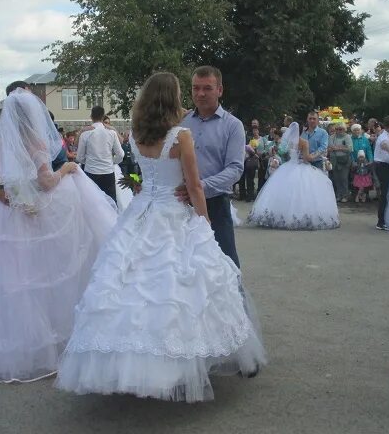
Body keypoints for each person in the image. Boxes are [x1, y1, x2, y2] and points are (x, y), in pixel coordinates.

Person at [56, 72, 266, 402]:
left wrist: (145, 187)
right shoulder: (181, 135)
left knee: (135, 288)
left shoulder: (137, 134)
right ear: (174, 97)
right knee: (187, 288)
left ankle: (144, 364)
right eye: (189, 90)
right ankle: (187, 363)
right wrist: (203, 225)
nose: (195, 94)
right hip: (176, 211)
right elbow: (193, 186)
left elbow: (144, 172)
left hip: (143, 213)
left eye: (203, 88)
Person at [0, 89, 114, 382]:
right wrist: (66, 168)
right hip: (37, 210)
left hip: (10, 214)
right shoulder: (36, 141)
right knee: (45, 273)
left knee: (16, 277)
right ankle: (49, 340)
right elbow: (47, 181)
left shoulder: (4, 144)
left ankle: (15, 345)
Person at [181, 66, 244, 267]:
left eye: (207, 88)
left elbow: (235, 169)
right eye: (195, 88)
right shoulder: (182, 122)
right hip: (181, 205)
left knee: (226, 263)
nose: (200, 94)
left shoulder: (232, 125)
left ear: (220, 90)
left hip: (215, 204)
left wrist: (200, 186)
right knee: (186, 265)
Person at [247, 122, 340, 230]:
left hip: (289, 166)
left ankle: (280, 214)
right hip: (302, 166)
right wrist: (316, 155)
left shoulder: (289, 142)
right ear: (302, 131)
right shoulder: (304, 142)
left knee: (285, 191)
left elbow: (283, 152)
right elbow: (306, 158)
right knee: (304, 192)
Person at [76, 106, 124, 202]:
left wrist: (90, 162)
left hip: (91, 172)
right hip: (108, 172)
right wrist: (111, 162)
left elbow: (79, 157)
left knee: (92, 203)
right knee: (110, 203)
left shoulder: (85, 134)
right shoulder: (111, 133)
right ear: (103, 117)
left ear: (91, 117)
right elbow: (120, 155)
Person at [328, 122, 353, 203]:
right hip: (334, 160)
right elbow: (330, 148)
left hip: (344, 160)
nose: (339, 131)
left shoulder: (347, 137)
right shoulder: (332, 137)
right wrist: (341, 147)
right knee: (336, 178)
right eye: (337, 129)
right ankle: (338, 195)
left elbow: (349, 148)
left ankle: (345, 195)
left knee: (344, 178)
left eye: (341, 129)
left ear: (344, 129)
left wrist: (337, 148)